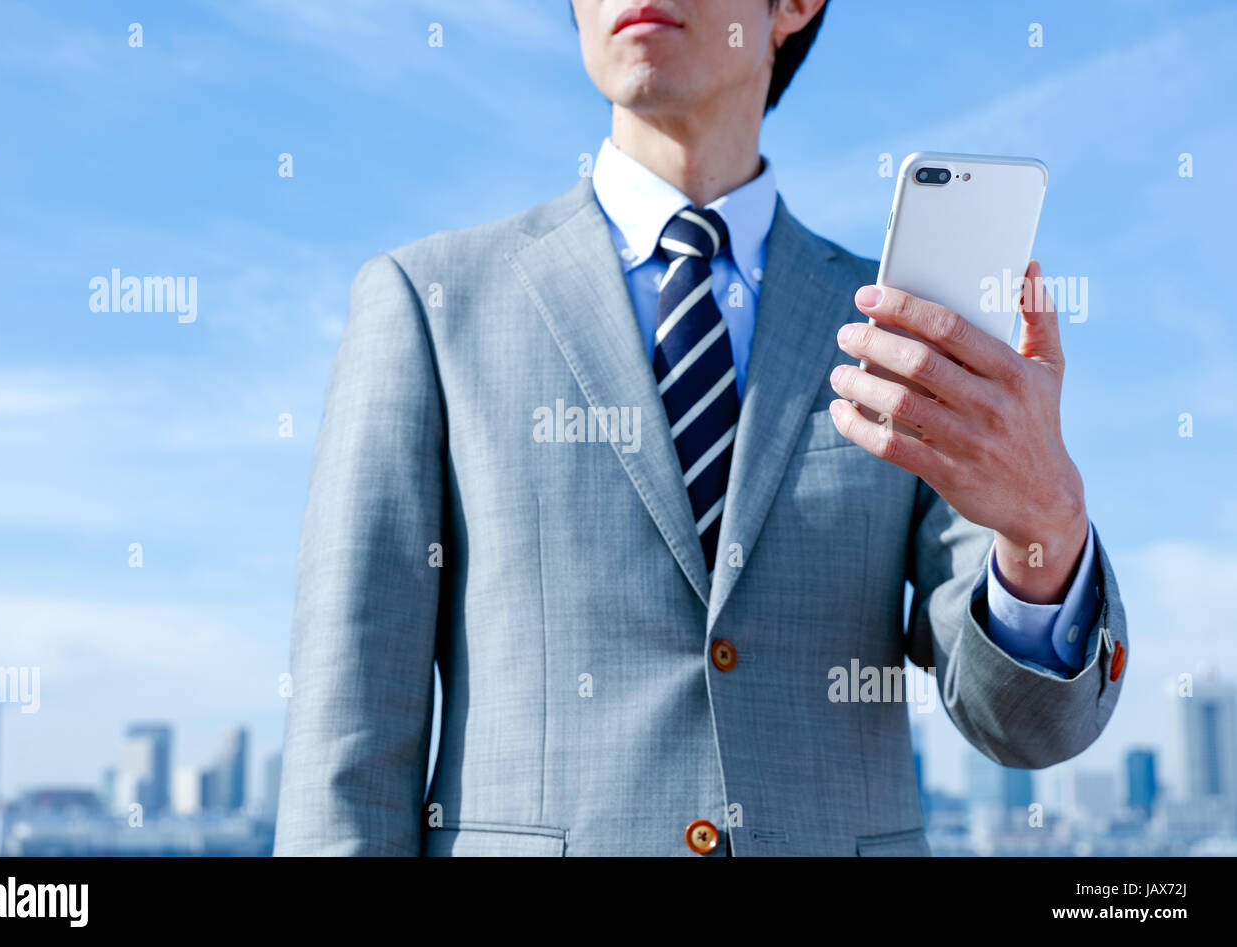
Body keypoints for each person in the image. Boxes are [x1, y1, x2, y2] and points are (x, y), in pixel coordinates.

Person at [274, 0, 1126, 857]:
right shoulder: (430, 304)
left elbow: (1028, 726)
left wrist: (1045, 527)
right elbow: (347, 743)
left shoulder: (904, 333)